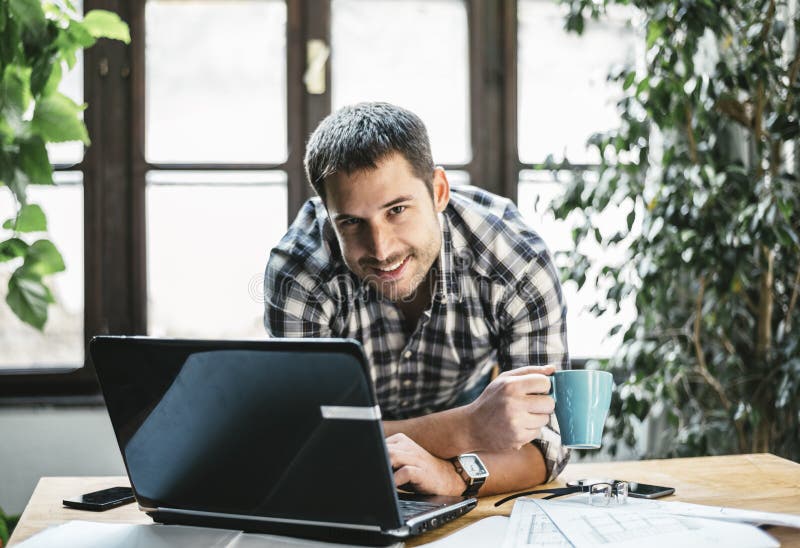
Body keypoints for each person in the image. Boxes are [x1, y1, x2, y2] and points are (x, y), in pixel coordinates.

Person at [263, 102, 570, 497]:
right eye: (352, 222)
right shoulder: (298, 272)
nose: (381, 248)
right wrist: (468, 426)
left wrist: (451, 475)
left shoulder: (515, 258)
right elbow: (305, 442)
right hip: (444, 427)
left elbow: (546, 447)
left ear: (438, 191)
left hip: (464, 408)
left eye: (397, 210)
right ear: (328, 216)